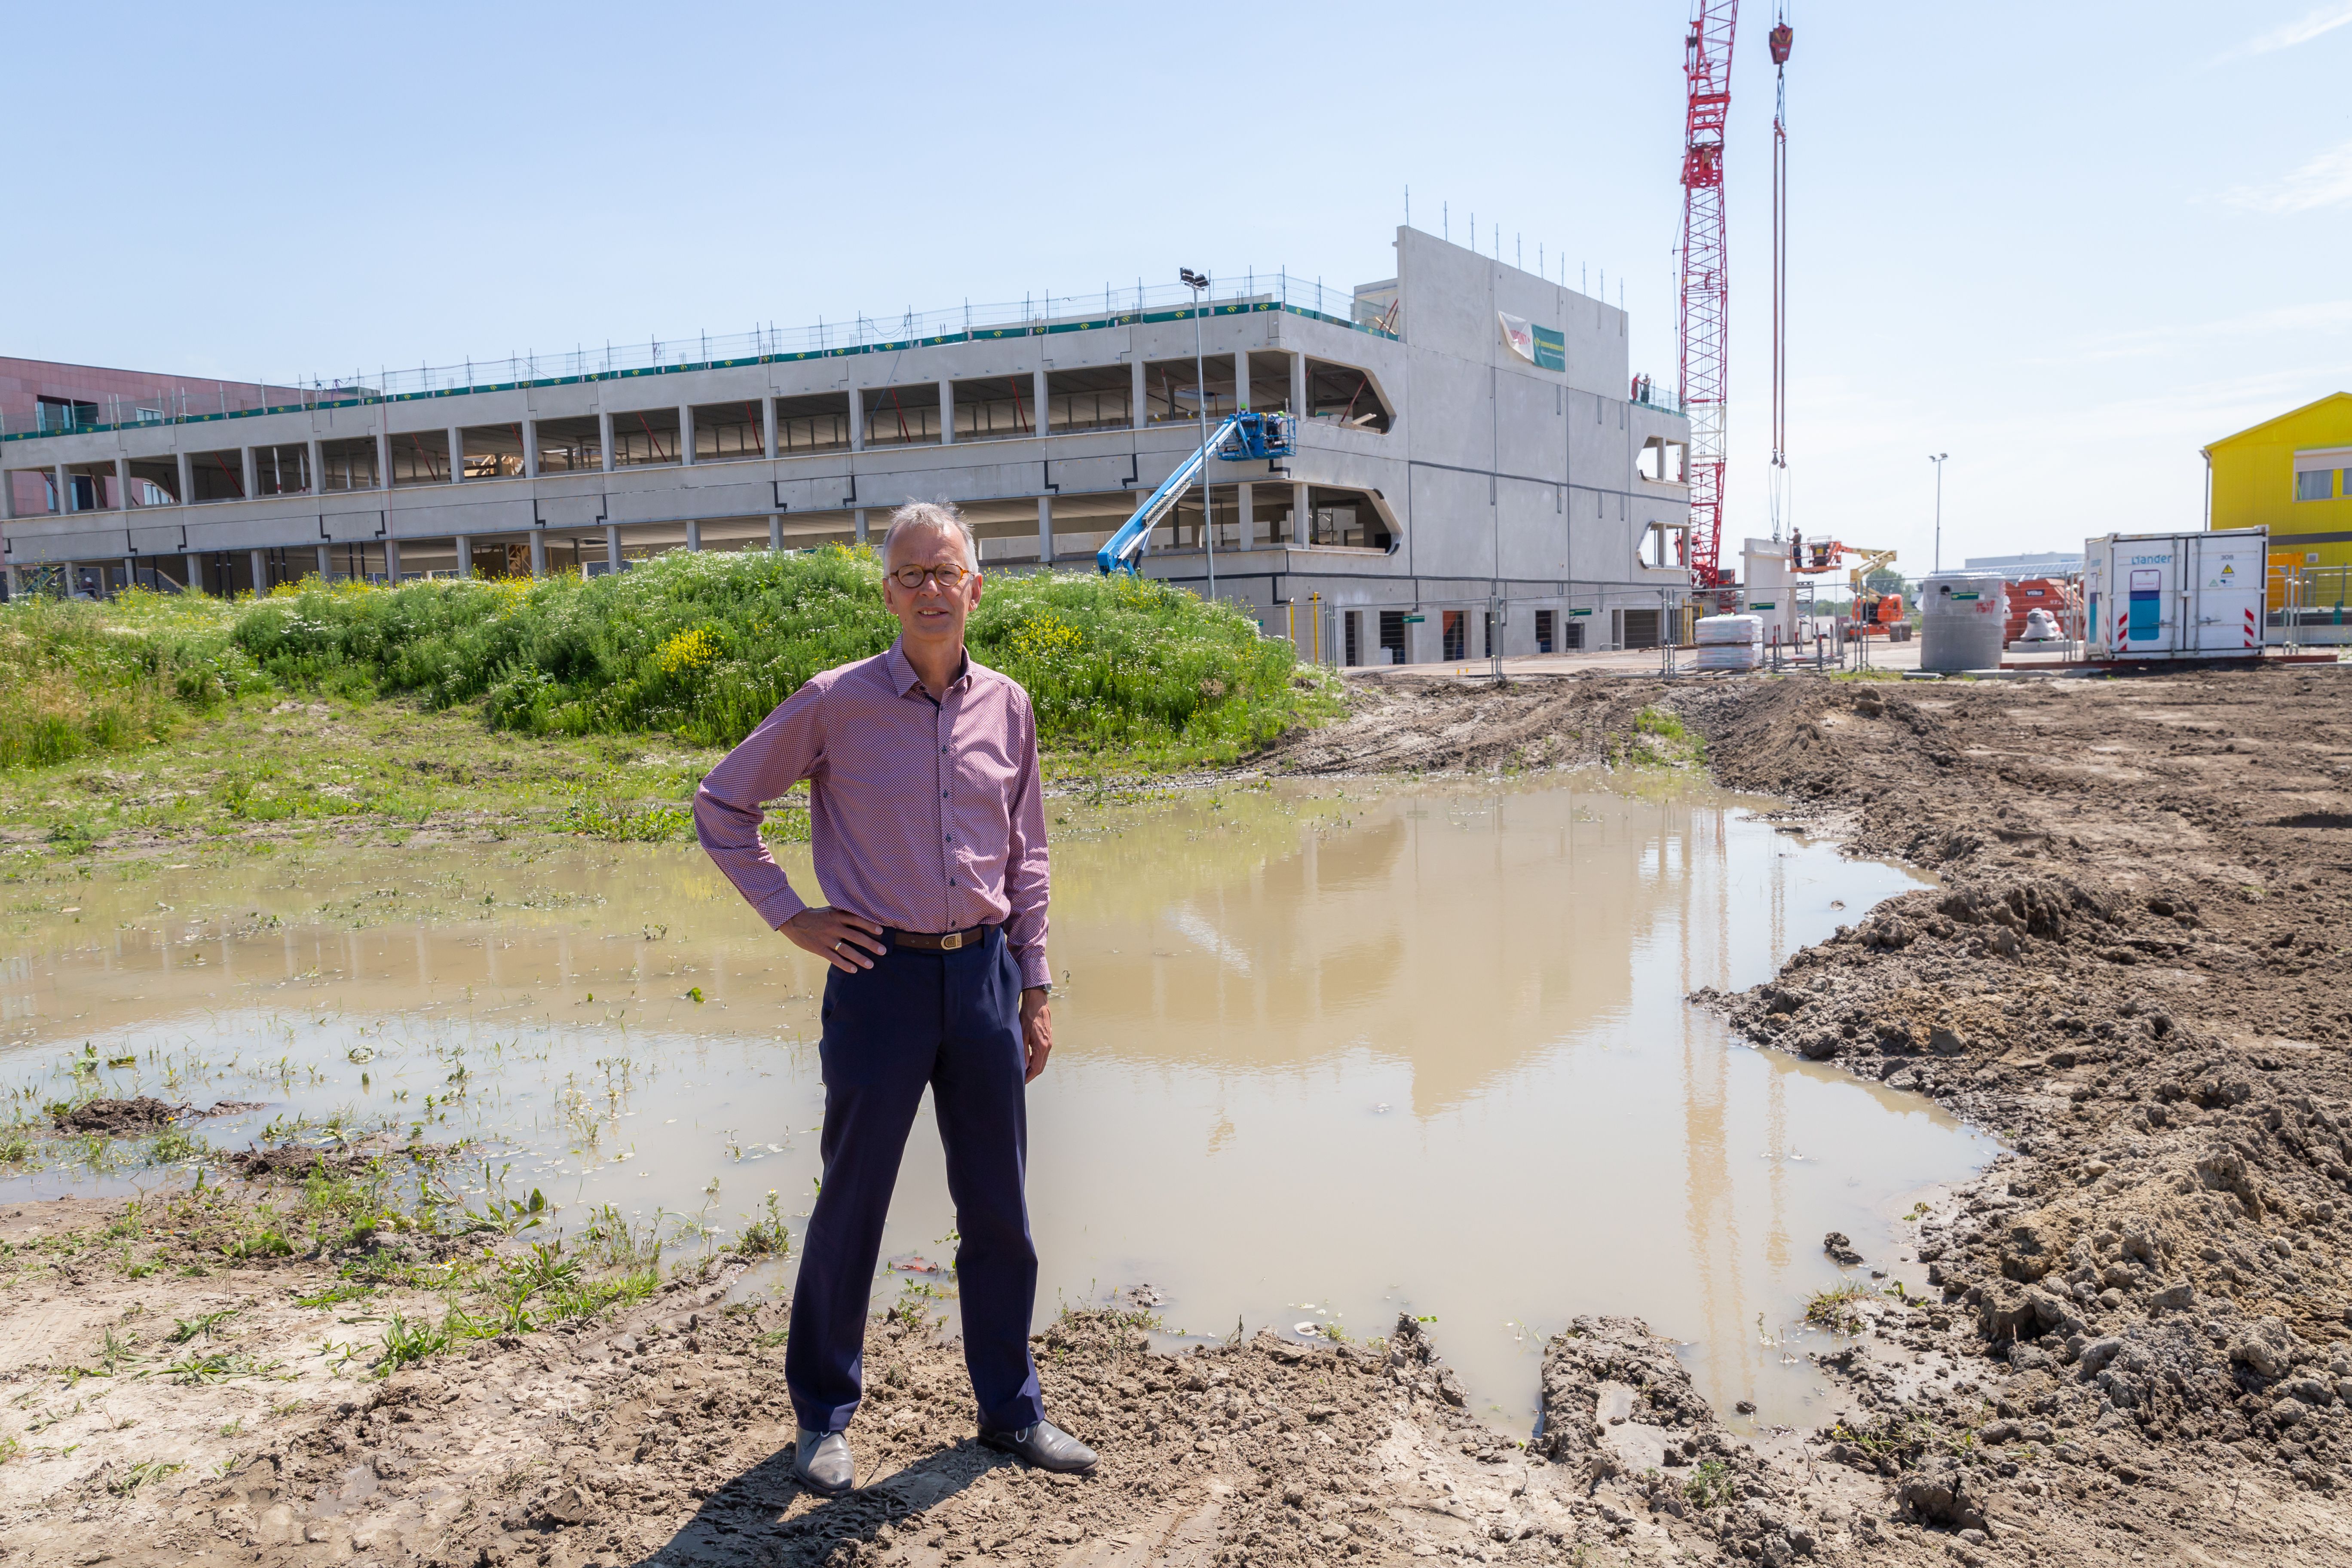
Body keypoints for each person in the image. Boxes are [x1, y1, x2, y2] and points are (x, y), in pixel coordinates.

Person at [694, 502, 1095, 1494]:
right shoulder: (836, 703)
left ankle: (1012, 1410)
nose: (929, 589)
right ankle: (822, 1416)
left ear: (976, 589)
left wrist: (1035, 984)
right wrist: (793, 916)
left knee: (999, 1209)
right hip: (880, 982)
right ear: (887, 593)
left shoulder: (1010, 705)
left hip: (986, 977)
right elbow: (724, 803)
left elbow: (1029, 855)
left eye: (945, 571)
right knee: (854, 1203)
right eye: (910, 574)